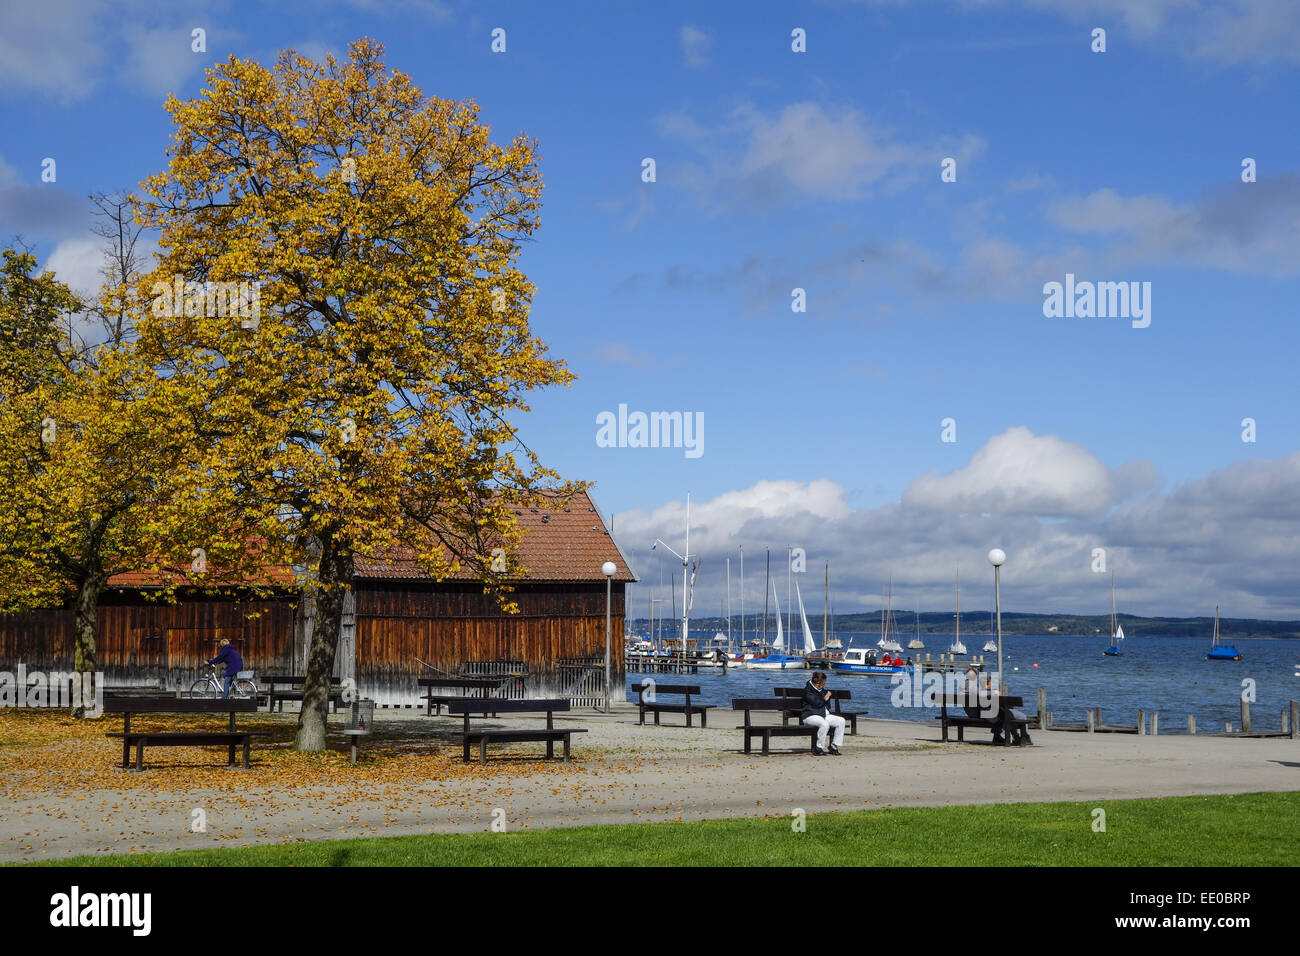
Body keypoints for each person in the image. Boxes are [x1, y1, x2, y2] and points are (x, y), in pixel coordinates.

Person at [800, 671, 845, 756]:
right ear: (818, 683)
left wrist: (825, 699)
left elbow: (827, 705)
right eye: (824, 683)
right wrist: (826, 698)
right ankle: (819, 748)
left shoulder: (822, 691)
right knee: (824, 724)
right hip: (810, 715)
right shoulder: (807, 691)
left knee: (841, 721)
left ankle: (834, 746)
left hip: (823, 715)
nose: (824, 685)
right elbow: (817, 703)